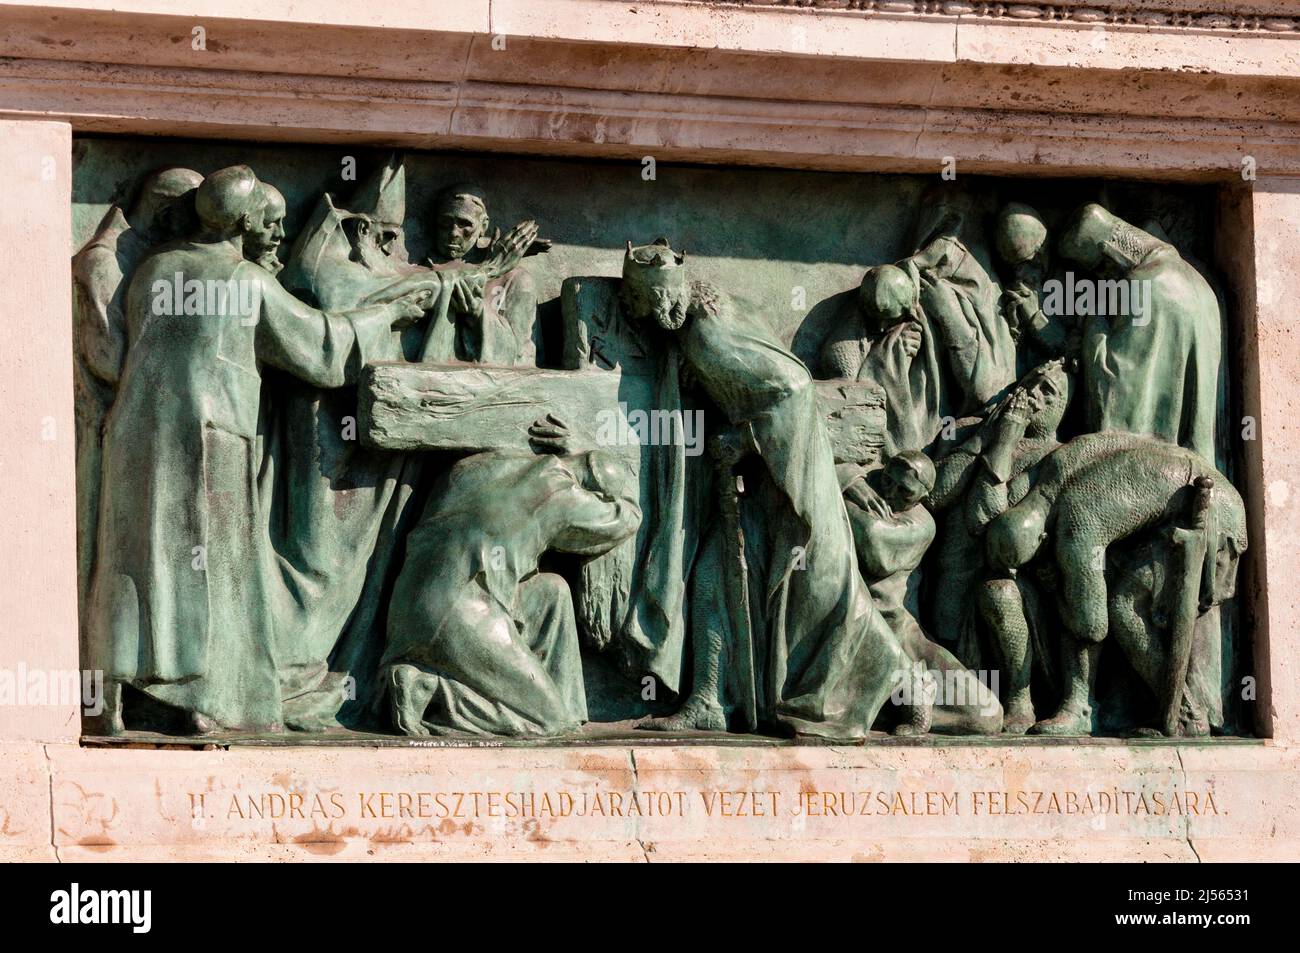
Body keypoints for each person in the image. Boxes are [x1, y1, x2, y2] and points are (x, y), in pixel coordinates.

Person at [86, 165, 439, 734]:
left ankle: (108, 701)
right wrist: (387, 314)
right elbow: (320, 347)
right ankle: (204, 702)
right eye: (268, 222)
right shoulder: (246, 281)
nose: (275, 232)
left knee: (135, 559)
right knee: (211, 570)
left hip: (136, 435)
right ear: (244, 223)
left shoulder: (154, 269)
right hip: (211, 440)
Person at [382, 418, 641, 736]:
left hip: (408, 606)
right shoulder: (561, 496)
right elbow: (621, 521)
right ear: (592, 492)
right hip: (463, 610)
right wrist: (627, 500)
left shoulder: (485, 461)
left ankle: (569, 710)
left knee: (552, 591)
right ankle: (430, 689)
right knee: (549, 722)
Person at [71, 167, 203, 621]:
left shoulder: (150, 255)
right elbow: (109, 361)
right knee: (116, 564)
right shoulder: (105, 262)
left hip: (153, 432)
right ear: (168, 213)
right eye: (194, 219)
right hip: (112, 439)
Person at [1058, 203, 1221, 466]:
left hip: (1146, 463)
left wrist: (1092, 324)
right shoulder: (1199, 281)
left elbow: (1116, 378)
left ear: (1109, 252)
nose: (1103, 279)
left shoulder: (1142, 285)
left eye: (1100, 269)